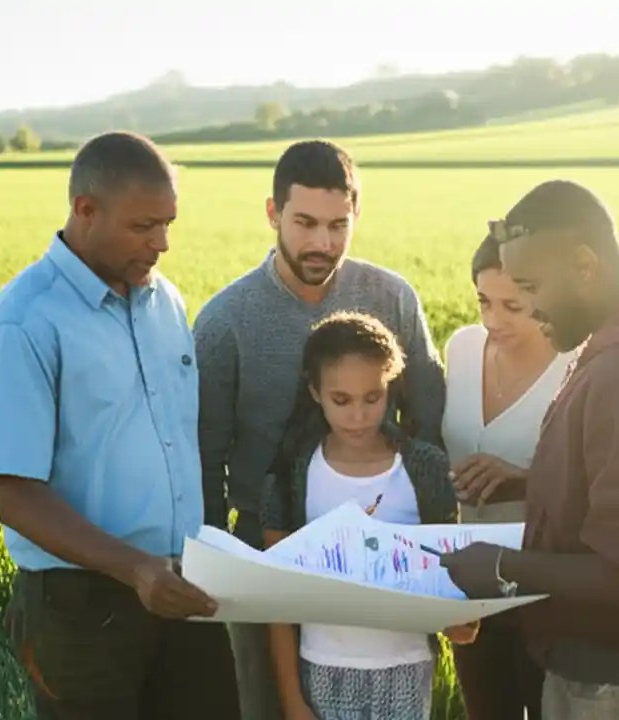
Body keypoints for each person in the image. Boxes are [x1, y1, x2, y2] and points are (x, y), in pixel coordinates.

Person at [0, 131, 239, 720]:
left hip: (182, 584)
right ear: (85, 210)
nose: (162, 243)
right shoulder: (23, 323)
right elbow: (14, 495)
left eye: (168, 223)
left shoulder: (166, 301)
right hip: (81, 606)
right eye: (144, 227)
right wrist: (135, 570)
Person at [440, 180, 619, 720]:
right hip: (607, 669)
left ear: (583, 264)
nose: (526, 307)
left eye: (530, 286)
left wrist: (501, 565)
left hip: (614, 681)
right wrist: (530, 483)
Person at [194, 139, 447, 719]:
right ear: (272, 213)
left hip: (387, 554)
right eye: (304, 222)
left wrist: (429, 547)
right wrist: (220, 568)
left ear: (357, 215)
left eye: (338, 224)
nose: (322, 242)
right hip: (267, 552)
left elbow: (426, 421)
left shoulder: (392, 297)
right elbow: (205, 456)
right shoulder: (226, 321)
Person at [261, 312, 471, 720]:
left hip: (407, 667)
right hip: (320, 665)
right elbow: (277, 600)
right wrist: (291, 701)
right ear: (314, 391)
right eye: (341, 400)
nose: (357, 416)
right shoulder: (291, 476)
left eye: (372, 398)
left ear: (389, 390)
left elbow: (449, 577)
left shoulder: (425, 468)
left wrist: (460, 621)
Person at [442, 235, 577, 719]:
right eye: (483, 300)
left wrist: (523, 478)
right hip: (470, 582)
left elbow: (599, 478)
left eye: (511, 306)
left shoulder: (576, 363)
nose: (492, 319)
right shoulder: (460, 347)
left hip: (544, 584)